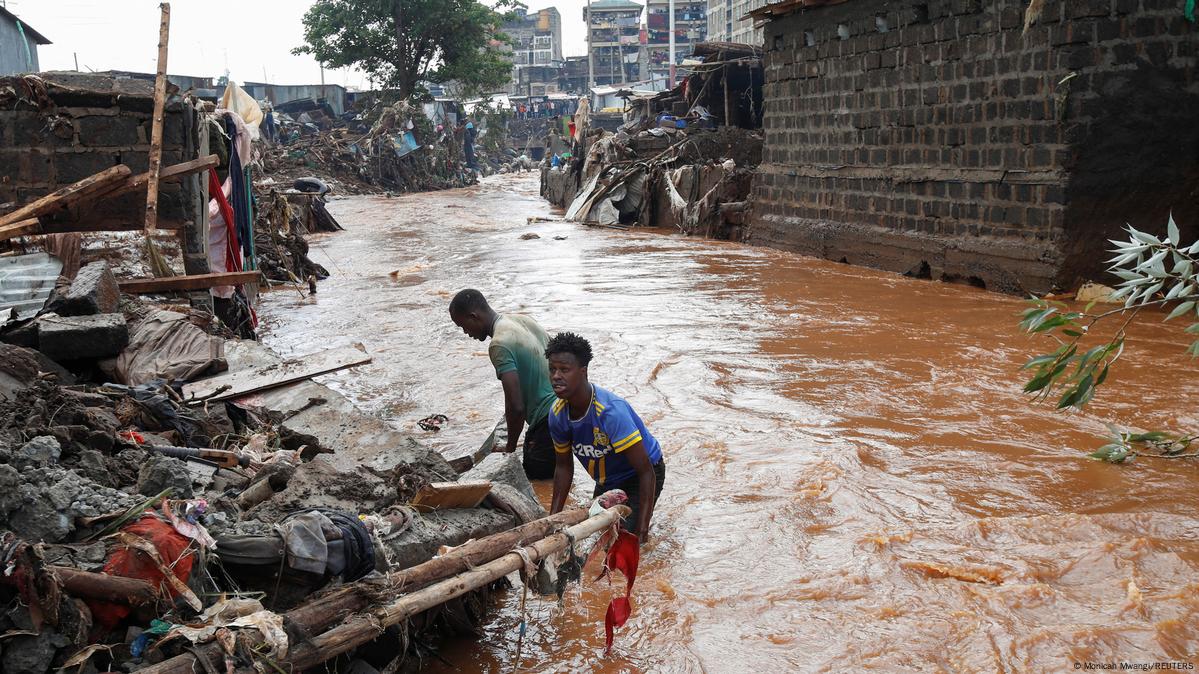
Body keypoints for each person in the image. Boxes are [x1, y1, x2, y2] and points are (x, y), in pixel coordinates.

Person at [545, 332, 665, 543]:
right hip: (608, 479)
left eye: (564, 370)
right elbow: (563, 467)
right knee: (599, 535)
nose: (556, 376)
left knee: (626, 540)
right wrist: (553, 521)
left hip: (641, 474)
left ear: (583, 372)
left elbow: (646, 471)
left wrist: (642, 530)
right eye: (552, 369)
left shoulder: (610, 412)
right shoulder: (557, 414)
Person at [449, 290, 557, 479]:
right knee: (560, 470)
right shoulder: (522, 321)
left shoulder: (499, 344)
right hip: (567, 410)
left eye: (463, 326)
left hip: (546, 421)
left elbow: (515, 406)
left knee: (537, 481)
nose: (466, 333)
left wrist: (510, 449)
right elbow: (560, 355)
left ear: (473, 317)